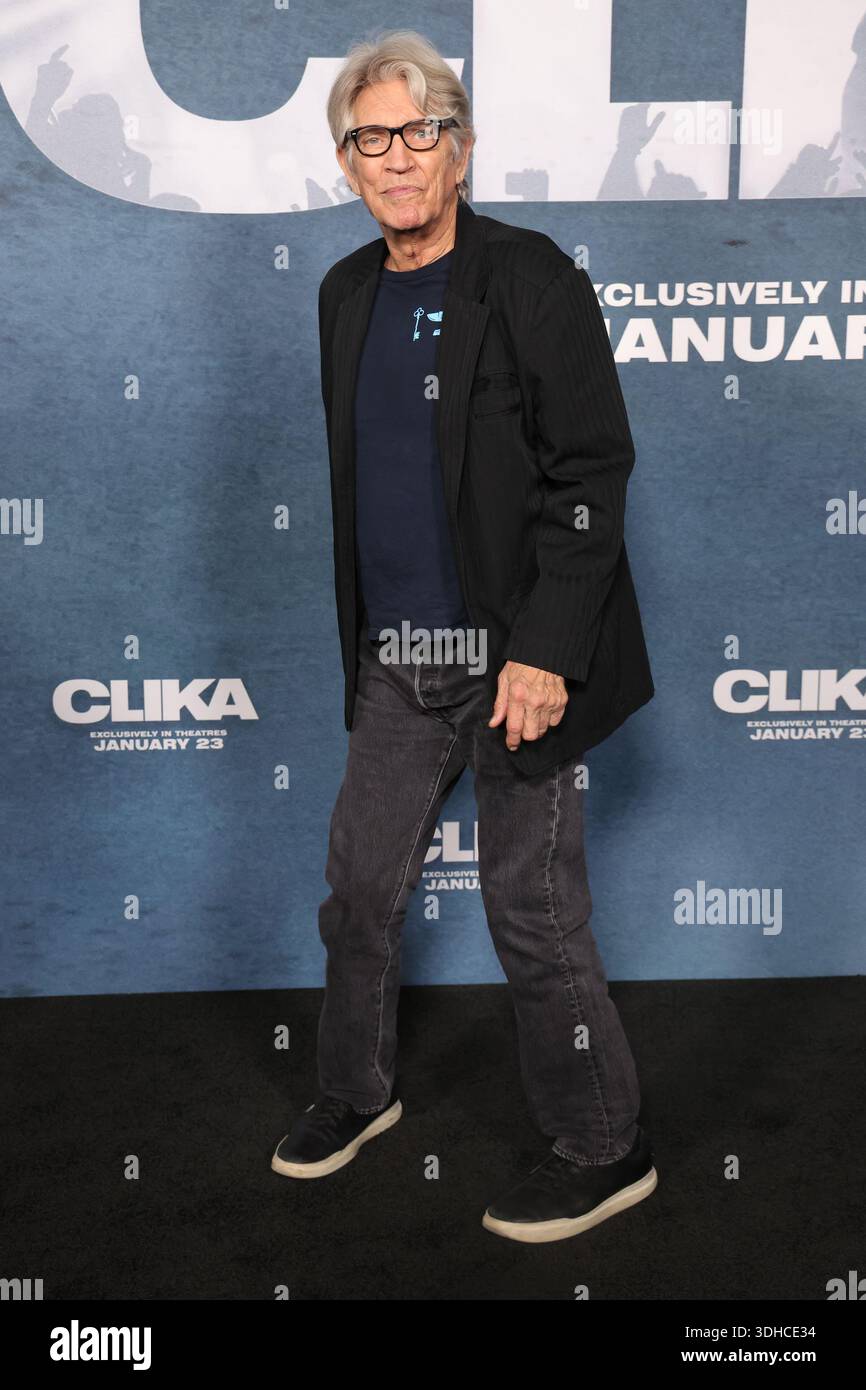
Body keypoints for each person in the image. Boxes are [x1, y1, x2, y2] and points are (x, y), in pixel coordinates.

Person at [271, 29, 658, 1244]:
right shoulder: (342, 294)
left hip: (513, 660)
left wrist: (544, 650)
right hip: (400, 660)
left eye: (419, 131)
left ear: (461, 147)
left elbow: (590, 473)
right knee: (358, 892)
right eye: (369, 138)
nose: (395, 157)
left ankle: (604, 1146)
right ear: (346, 162)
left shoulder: (530, 279)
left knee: (529, 913)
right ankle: (355, 1090)